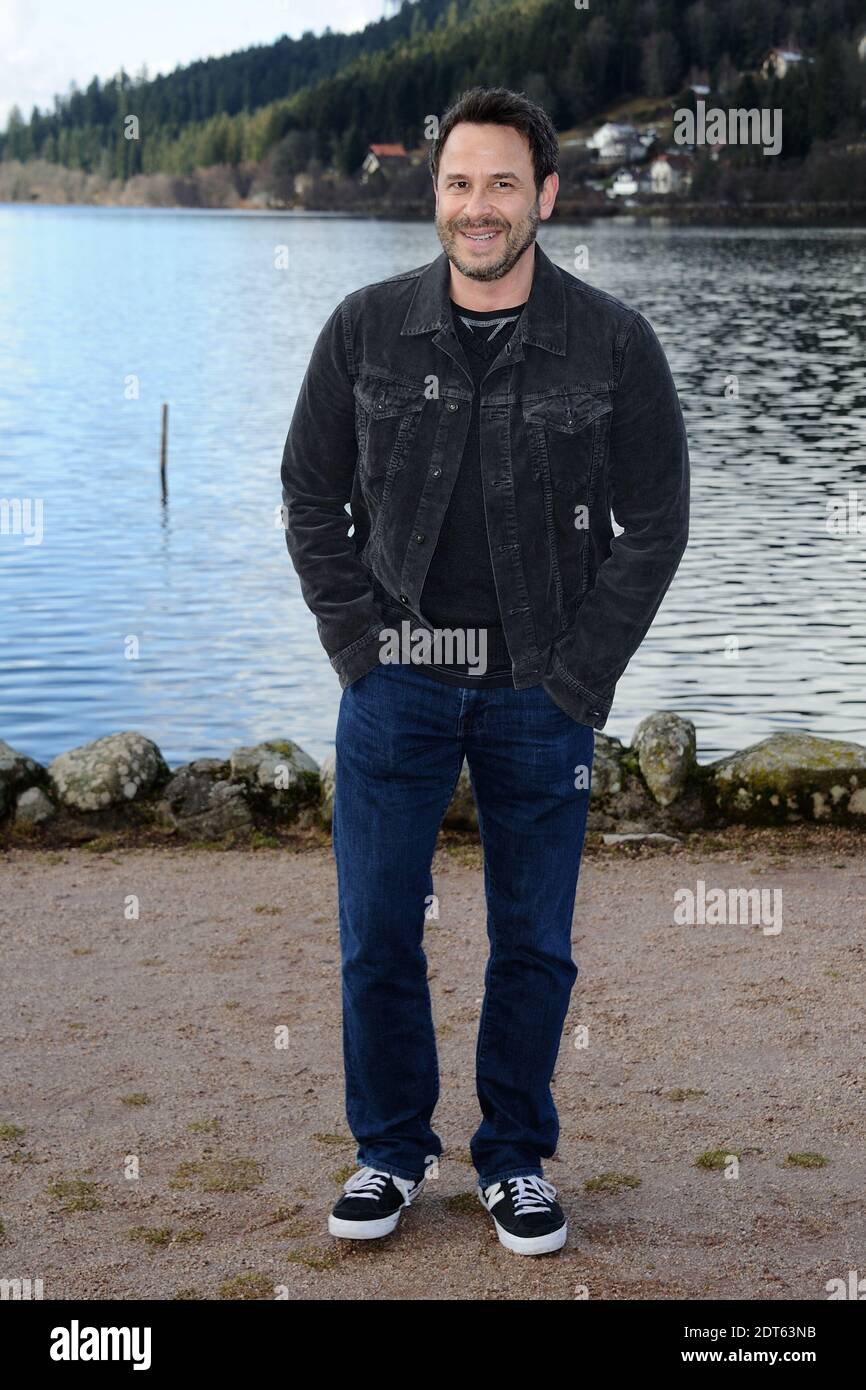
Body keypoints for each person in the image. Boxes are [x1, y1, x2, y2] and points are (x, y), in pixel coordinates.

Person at [280, 86, 689, 1256]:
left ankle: (513, 1158)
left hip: (537, 695)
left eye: (503, 183)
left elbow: (655, 522)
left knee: (533, 941)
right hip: (394, 680)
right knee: (374, 931)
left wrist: (578, 678)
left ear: (544, 196)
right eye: (460, 182)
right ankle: (389, 1151)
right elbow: (309, 496)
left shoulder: (611, 342)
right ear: (435, 192)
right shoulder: (363, 329)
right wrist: (357, 647)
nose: (478, 206)